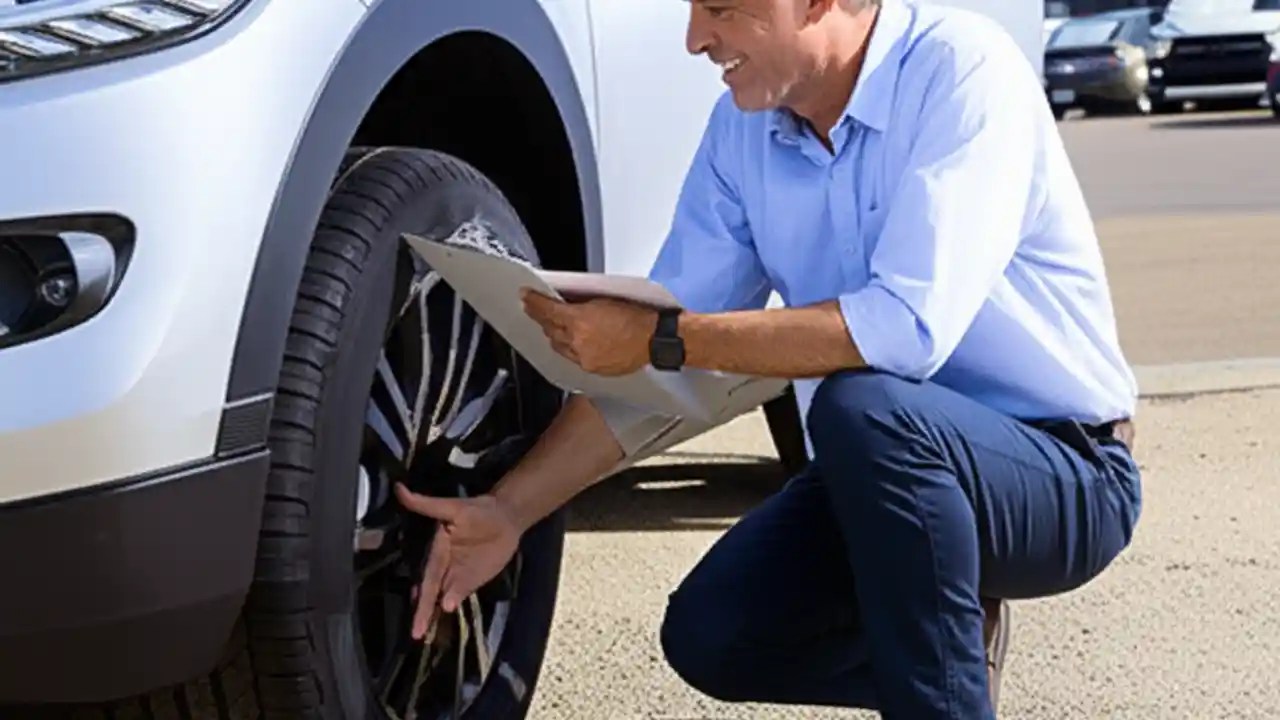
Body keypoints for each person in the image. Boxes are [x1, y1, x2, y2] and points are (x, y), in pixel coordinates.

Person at [394, 0, 1144, 716]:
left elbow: (906, 330)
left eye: (721, 10)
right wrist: (508, 510)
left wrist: (663, 337)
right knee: (713, 636)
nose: (695, 39)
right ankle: (949, 642)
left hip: (1063, 472)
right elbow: (659, 365)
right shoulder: (741, 132)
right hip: (882, 473)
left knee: (863, 402)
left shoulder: (961, 73)